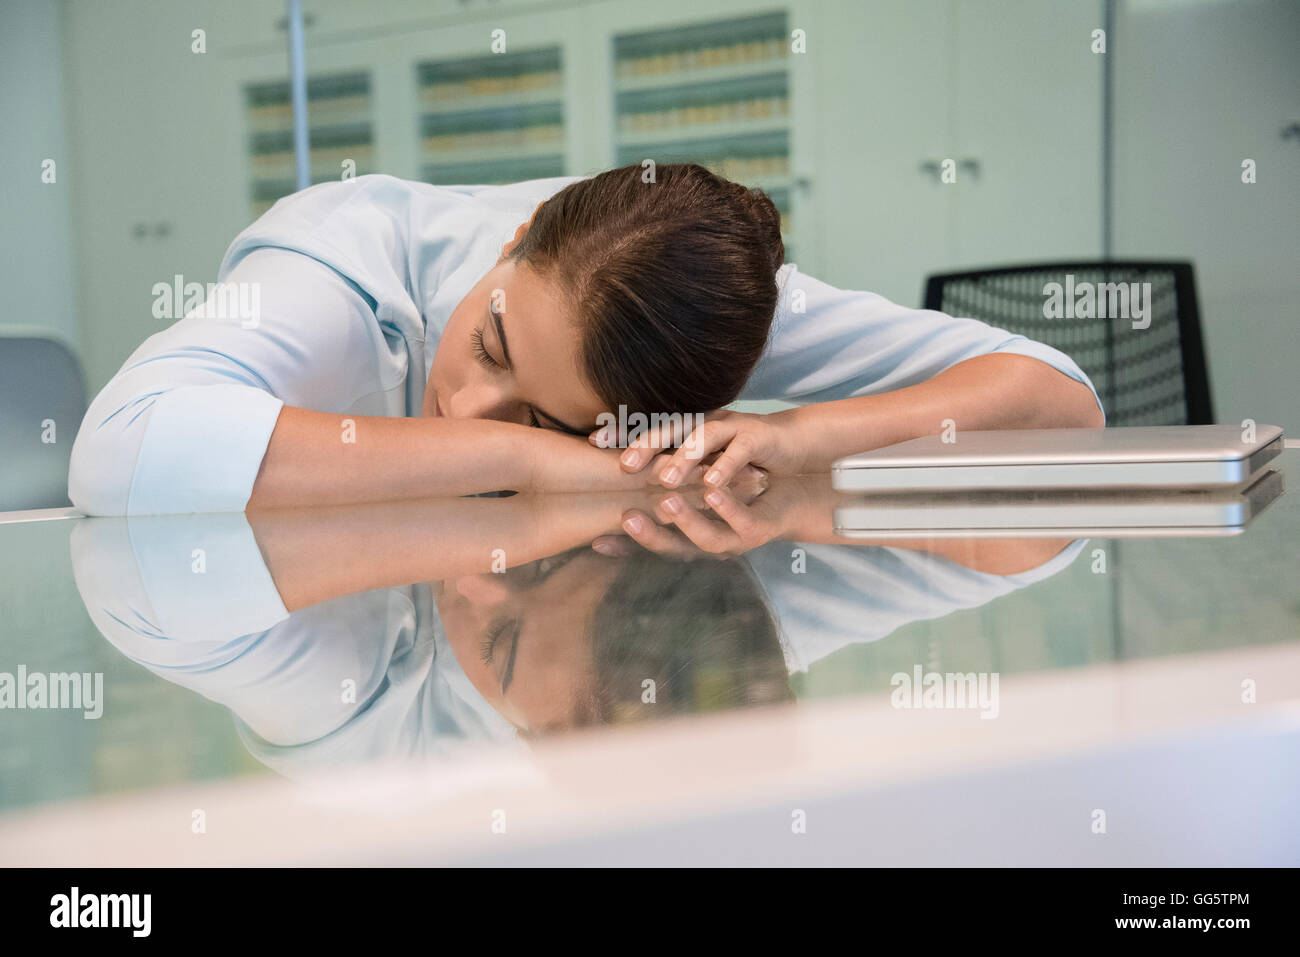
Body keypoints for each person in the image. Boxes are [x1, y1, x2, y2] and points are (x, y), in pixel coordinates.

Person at [67, 163, 1104, 516]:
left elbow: (1060, 400)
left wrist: (803, 437)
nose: (465, 404)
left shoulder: (714, 319)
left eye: (548, 419)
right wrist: (533, 459)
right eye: (493, 342)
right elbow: (125, 449)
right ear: (517, 240)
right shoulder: (348, 259)